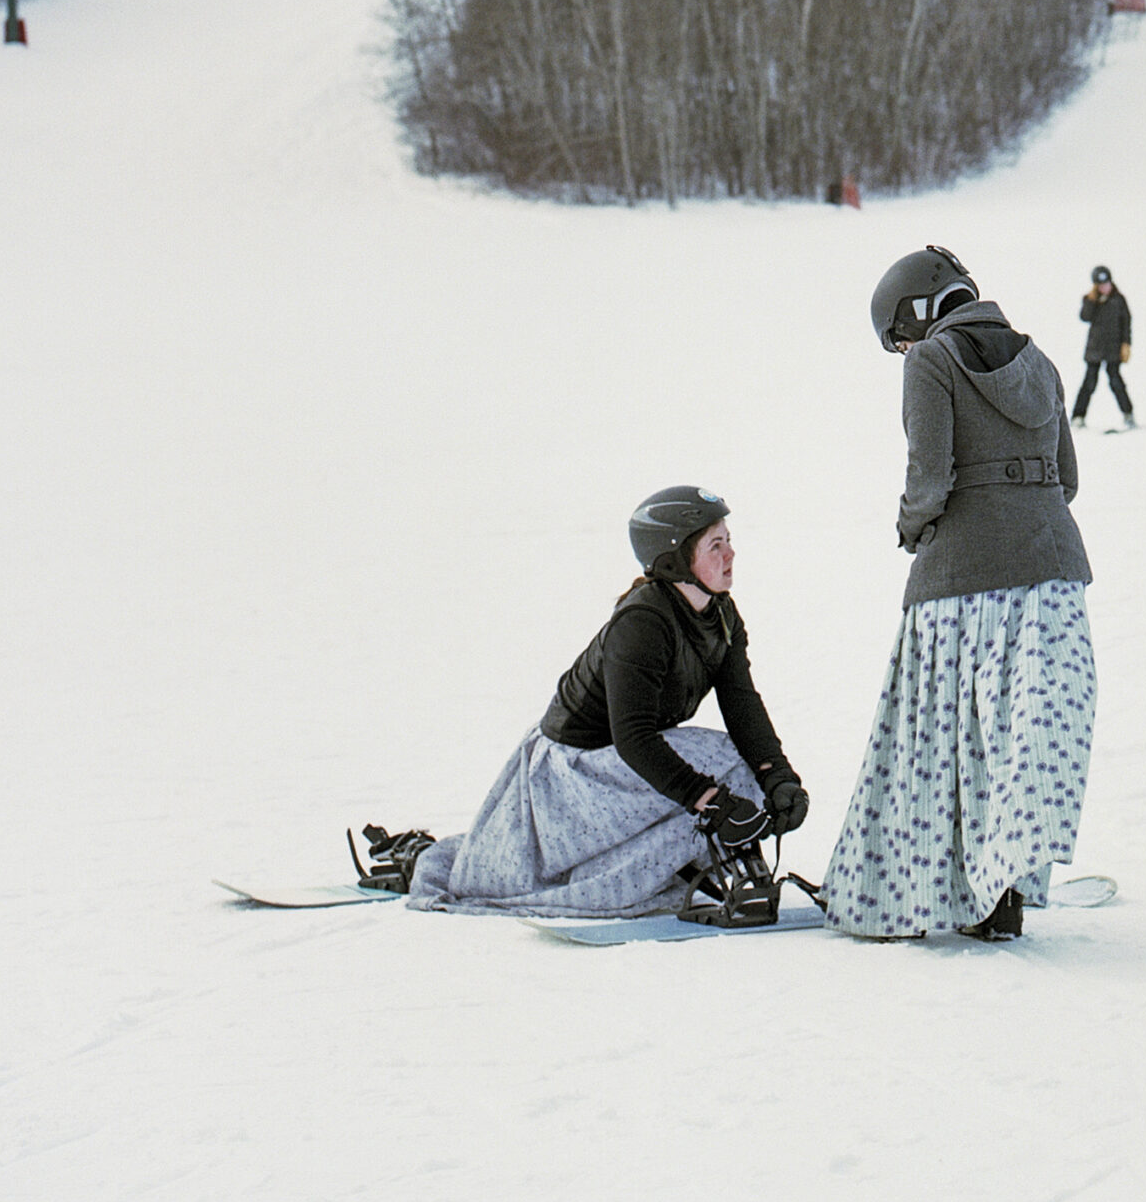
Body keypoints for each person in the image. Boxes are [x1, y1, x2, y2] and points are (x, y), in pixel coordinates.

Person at [823, 245, 1097, 942]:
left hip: (962, 576)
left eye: (902, 335)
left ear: (918, 312)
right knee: (1014, 740)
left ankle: (914, 893)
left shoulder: (932, 363)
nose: (906, 348)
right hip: (1054, 568)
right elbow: (1066, 477)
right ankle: (999, 889)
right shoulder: (1042, 362)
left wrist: (912, 525)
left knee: (942, 736)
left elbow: (930, 472)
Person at [407, 488, 808, 916]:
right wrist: (711, 799)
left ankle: (716, 870)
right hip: (571, 773)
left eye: (728, 540)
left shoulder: (720, 616)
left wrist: (778, 777)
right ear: (674, 558)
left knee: (741, 764)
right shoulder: (643, 622)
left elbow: (742, 705)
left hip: (619, 766)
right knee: (722, 766)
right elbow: (633, 737)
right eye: (716, 545)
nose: (731, 554)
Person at [1073, 264, 1134, 427]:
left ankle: (1128, 414)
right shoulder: (1091, 299)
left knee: (1116, 381)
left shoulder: (1119, 300)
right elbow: (1084, 317)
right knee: (1089, 382)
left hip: (1114, 349)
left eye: (1106, 284)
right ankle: (1078, 416)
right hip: (1095, 349)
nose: (1104, 288)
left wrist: (1126, 344)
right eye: (1100, 285)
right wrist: (1092, 301)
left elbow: (1126, 323)